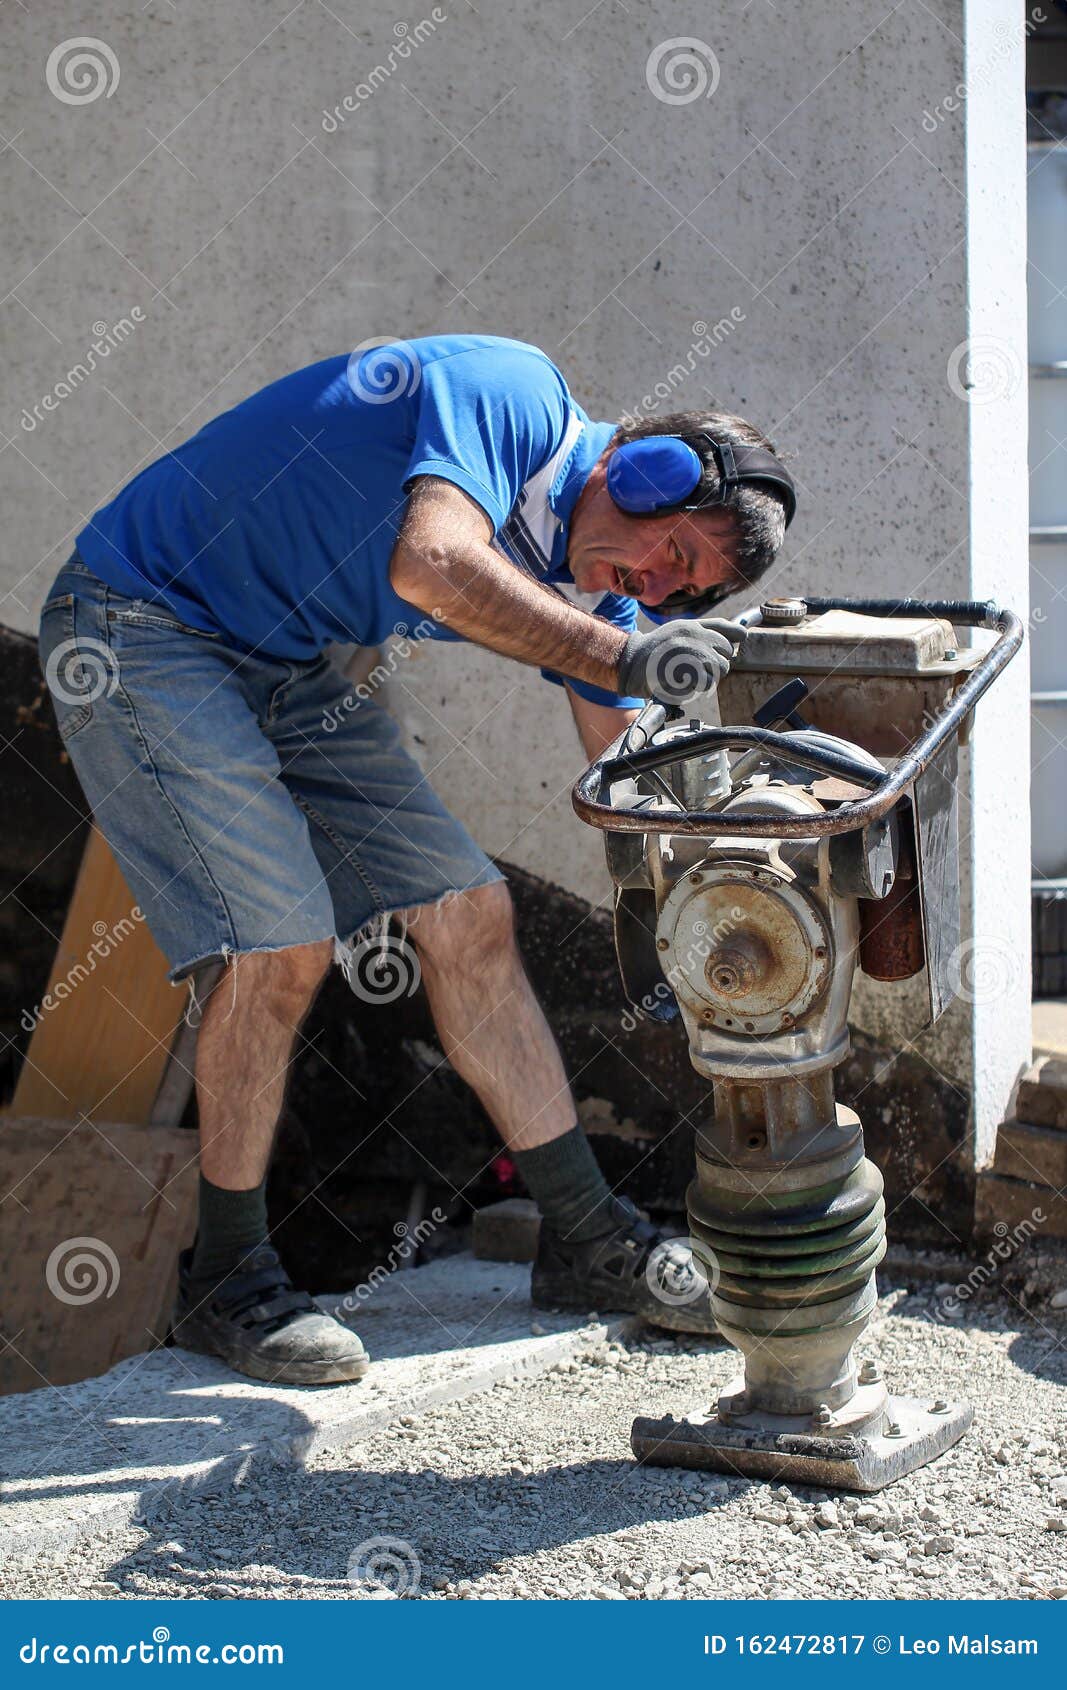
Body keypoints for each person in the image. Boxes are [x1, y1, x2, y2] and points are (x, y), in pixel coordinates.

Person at [38, 334, 793, 1385]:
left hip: (291, 666)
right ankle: (228, 1279)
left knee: (471, 914)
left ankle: (584, 1232)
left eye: (682, 590)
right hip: (140, 627)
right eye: (674, 552)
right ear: (647, 467)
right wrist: (620, 652)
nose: (654, 585)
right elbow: (431, 562)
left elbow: (622, 770)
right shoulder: (510, 392)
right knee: (283, 946)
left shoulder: (599, 597)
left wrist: (723, 879)